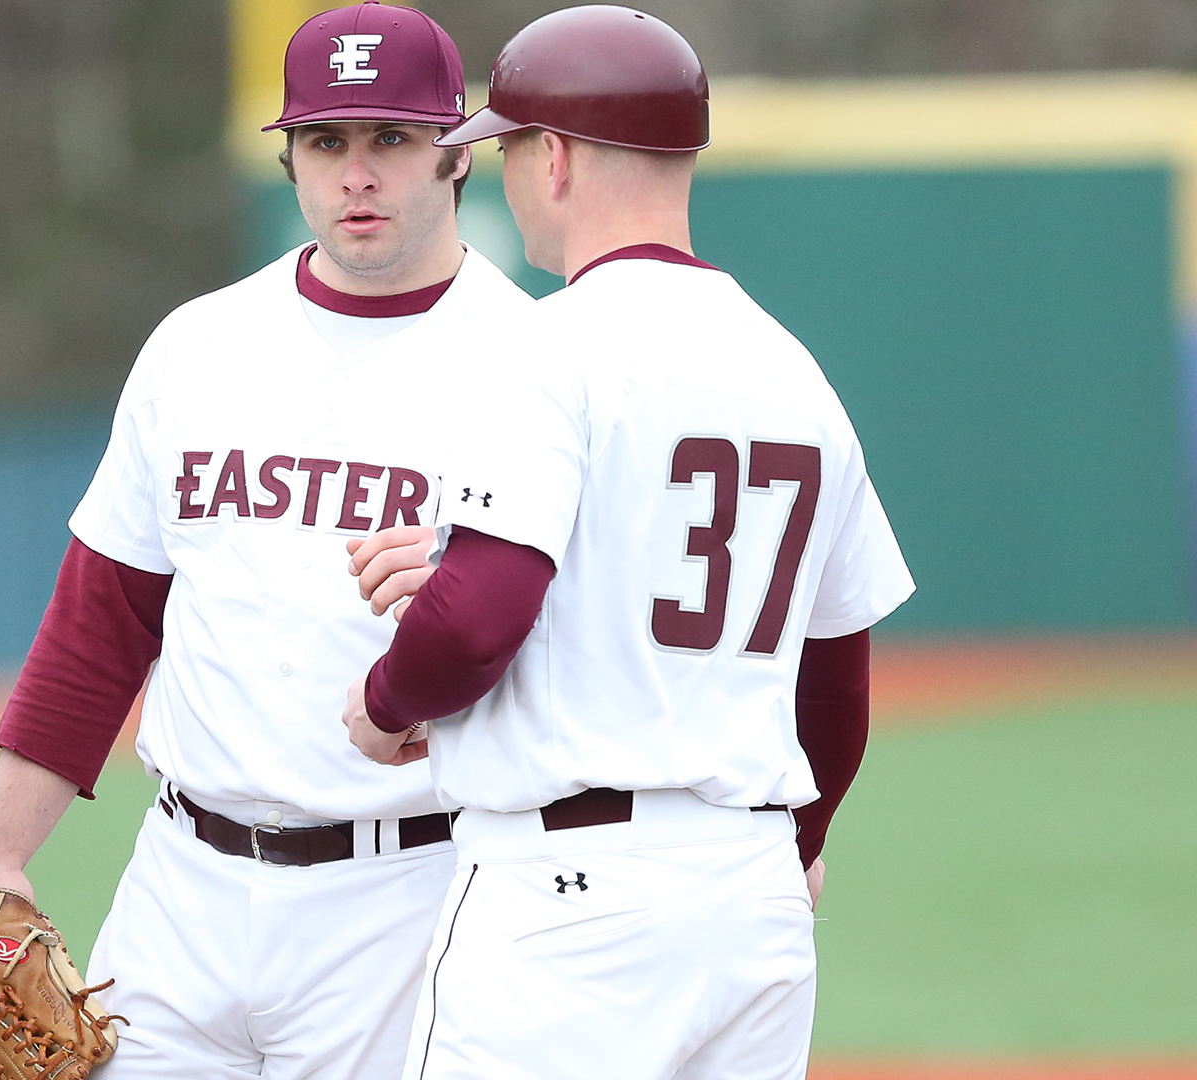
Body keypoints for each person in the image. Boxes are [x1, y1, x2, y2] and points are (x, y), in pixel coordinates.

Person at [0, 4, 536, 1077]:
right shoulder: (198, 345)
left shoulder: (532, 364)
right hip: (180, 889)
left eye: (392, 140)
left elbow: (593, 647)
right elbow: (100, 623)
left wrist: (477, 601)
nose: (357, 174)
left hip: (407, 892)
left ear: (457, 159)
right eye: (327, 142)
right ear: (291, 161)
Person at [340, 7, 915, 1079]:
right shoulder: (795, 370)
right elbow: (834, 682)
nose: (505, 174)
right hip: (751, 908)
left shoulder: (549, 345)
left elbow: (475, 618)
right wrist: (794, 844)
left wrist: (385, 706)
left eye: (507, 148)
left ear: (552, 158)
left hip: (570, 914)